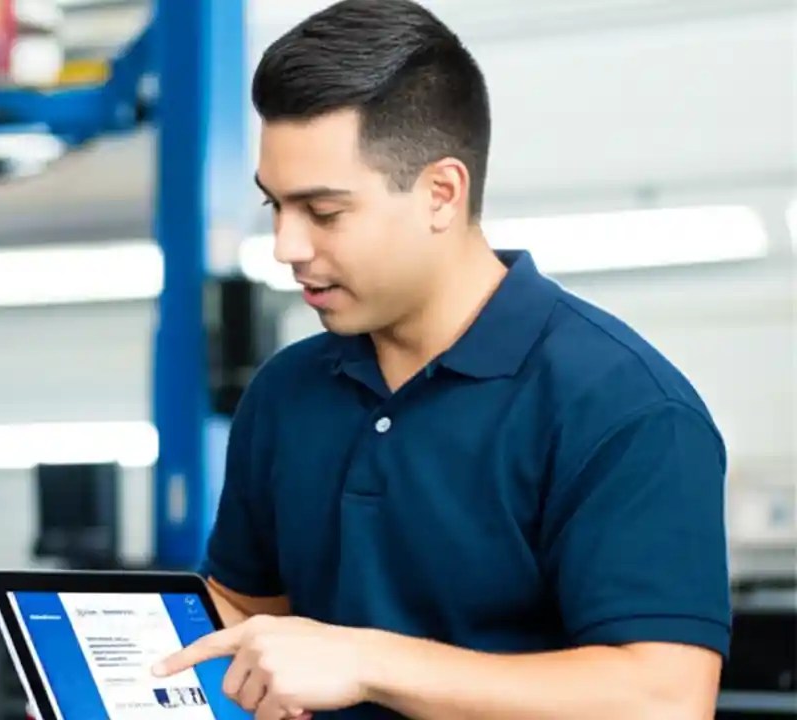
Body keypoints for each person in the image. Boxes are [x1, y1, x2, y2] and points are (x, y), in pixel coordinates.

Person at [153, 1, 731, 718]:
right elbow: (244, 611)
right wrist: (123, 680)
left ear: (441, 193)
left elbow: (664, 702)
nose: (286, 246)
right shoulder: (285, 393)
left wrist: (371, 662)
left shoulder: (622, 407)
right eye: (274, 206)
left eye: (323, 213)